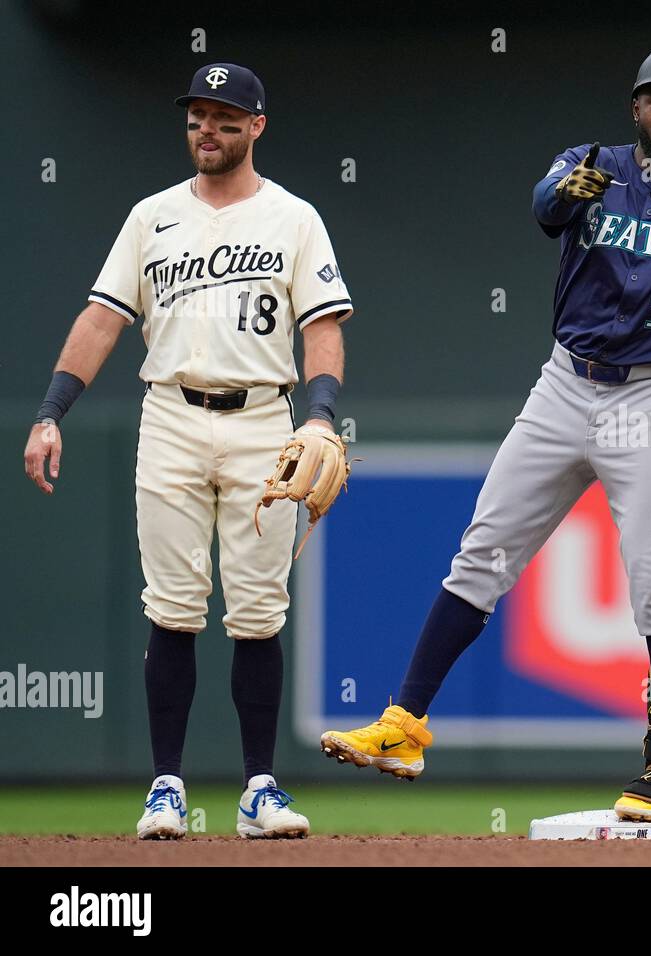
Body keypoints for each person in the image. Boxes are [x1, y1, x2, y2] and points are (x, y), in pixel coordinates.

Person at [321, 45, 651, 822]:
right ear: (636, 108)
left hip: (649, 399)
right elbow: (549, 205)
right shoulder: (593, 164)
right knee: (481, 552)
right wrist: (564, 189)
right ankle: (405, 726)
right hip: (563, 385)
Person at [23, 63, 354, 839]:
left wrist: (323, 416)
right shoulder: (151, 216)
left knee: (257, 614)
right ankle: (166, 788)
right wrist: (50, 412)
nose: (208, 129)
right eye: (198, 116)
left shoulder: (294, 218)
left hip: (263, 421)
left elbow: (323, 327)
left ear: (257, 126)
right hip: (170, 414)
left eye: (225, 117)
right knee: (171, 609)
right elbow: (104, 317)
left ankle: (259, 791)